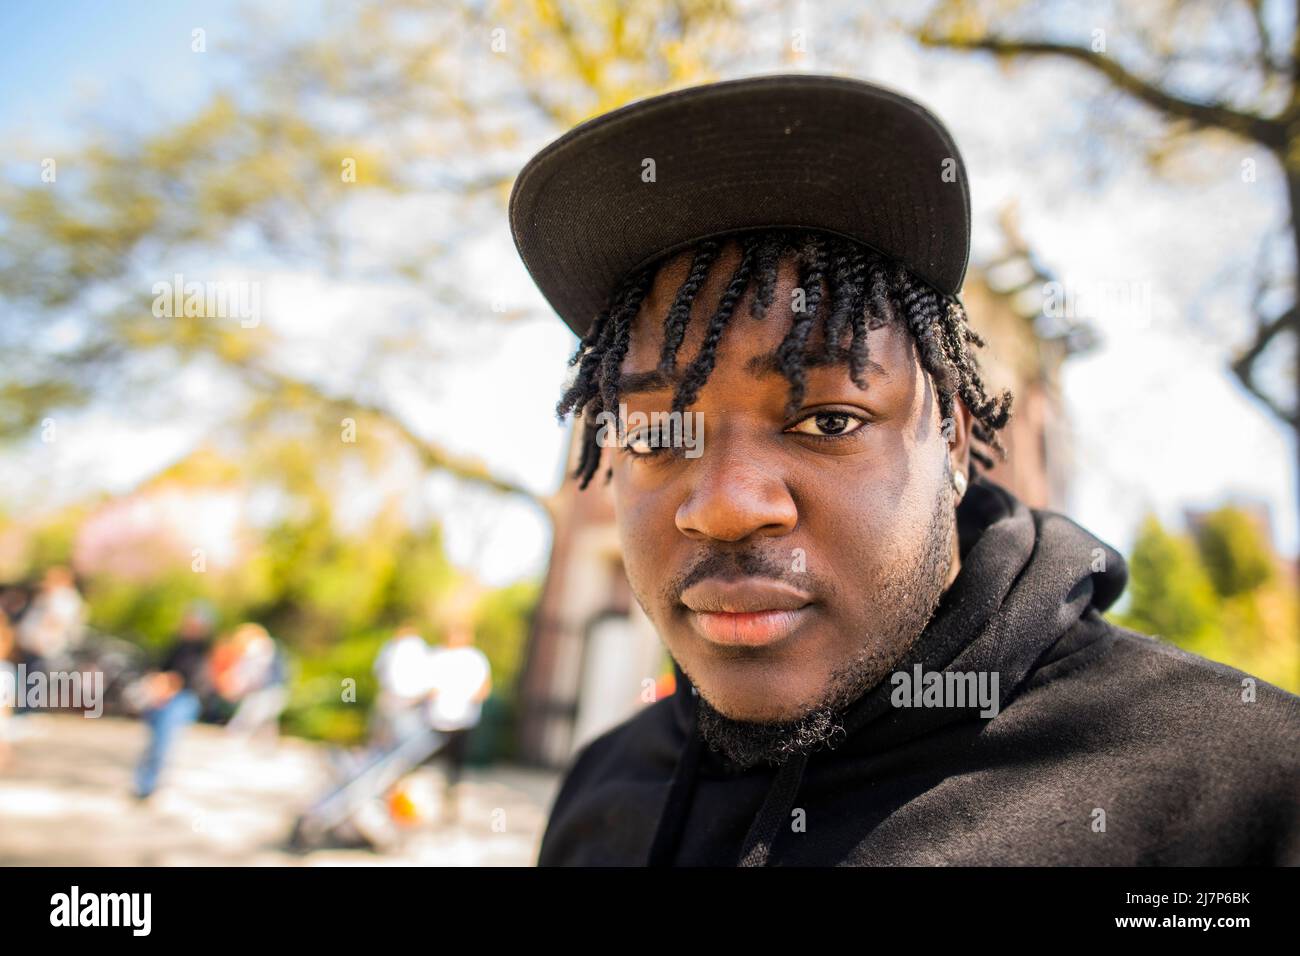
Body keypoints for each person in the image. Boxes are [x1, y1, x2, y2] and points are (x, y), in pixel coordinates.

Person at [509, 74, 1300, 865]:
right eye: (657, 434)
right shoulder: (604, 792)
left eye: (827, 420)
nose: (724, 506)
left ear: (953, 443)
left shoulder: (1238, 798)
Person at [132, 602, 215, 800]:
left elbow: (193, 679)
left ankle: (151, 785)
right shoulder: (177, 644)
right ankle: (143, 784)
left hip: (181, 699)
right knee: (152, 743)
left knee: (163, 743)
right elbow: (159, 667)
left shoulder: (203, 650)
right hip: (161, 696)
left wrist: (169, 687)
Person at [424, 620, 491, 825]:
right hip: (436, 720)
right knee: (429, 765)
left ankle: (449, 806)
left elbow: (484, 686)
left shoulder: (475, 659)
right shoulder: (437, 655)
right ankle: (424, 803)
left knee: (454, 767)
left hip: (462, 720)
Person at [16, 566, 85, 673]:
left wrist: (38, 640)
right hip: (33, 648)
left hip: (41, 651)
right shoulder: (51, 596)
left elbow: (55, 623)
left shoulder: (64, 599)